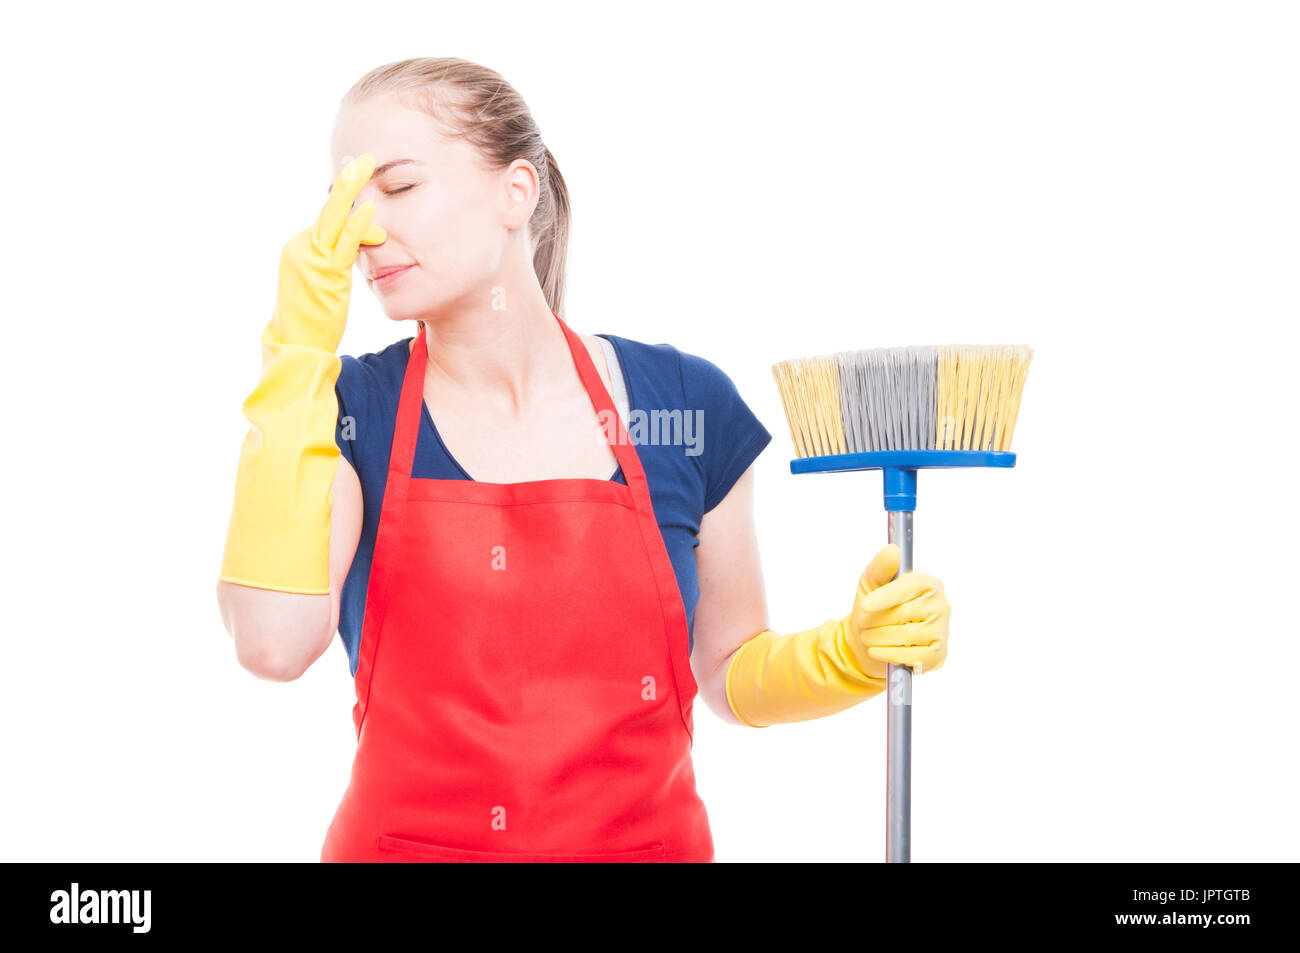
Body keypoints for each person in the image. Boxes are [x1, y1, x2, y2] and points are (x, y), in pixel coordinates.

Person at [215, 57, 951, 863]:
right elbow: (273, 644)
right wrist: (296, 359)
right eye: (343, 203)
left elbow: (732, 669)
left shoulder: (683, 404)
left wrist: (847, 654)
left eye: (396, 187)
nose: (364, 231)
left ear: (515, 193)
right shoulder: (348, 411)